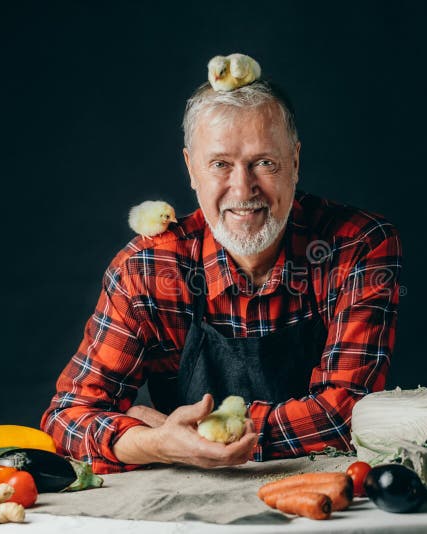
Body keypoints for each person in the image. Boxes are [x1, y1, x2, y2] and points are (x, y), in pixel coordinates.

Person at [41, 74, 402, 473]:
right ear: (191, 169)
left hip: (324, 492)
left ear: (295, 163)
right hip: (190, 503)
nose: (243, 188)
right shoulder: (147, 268)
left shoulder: (357, 245)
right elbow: (67, 418)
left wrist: (201, 431)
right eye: (220, 164)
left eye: (264, 162)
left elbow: (348, 414)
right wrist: (155, 443)